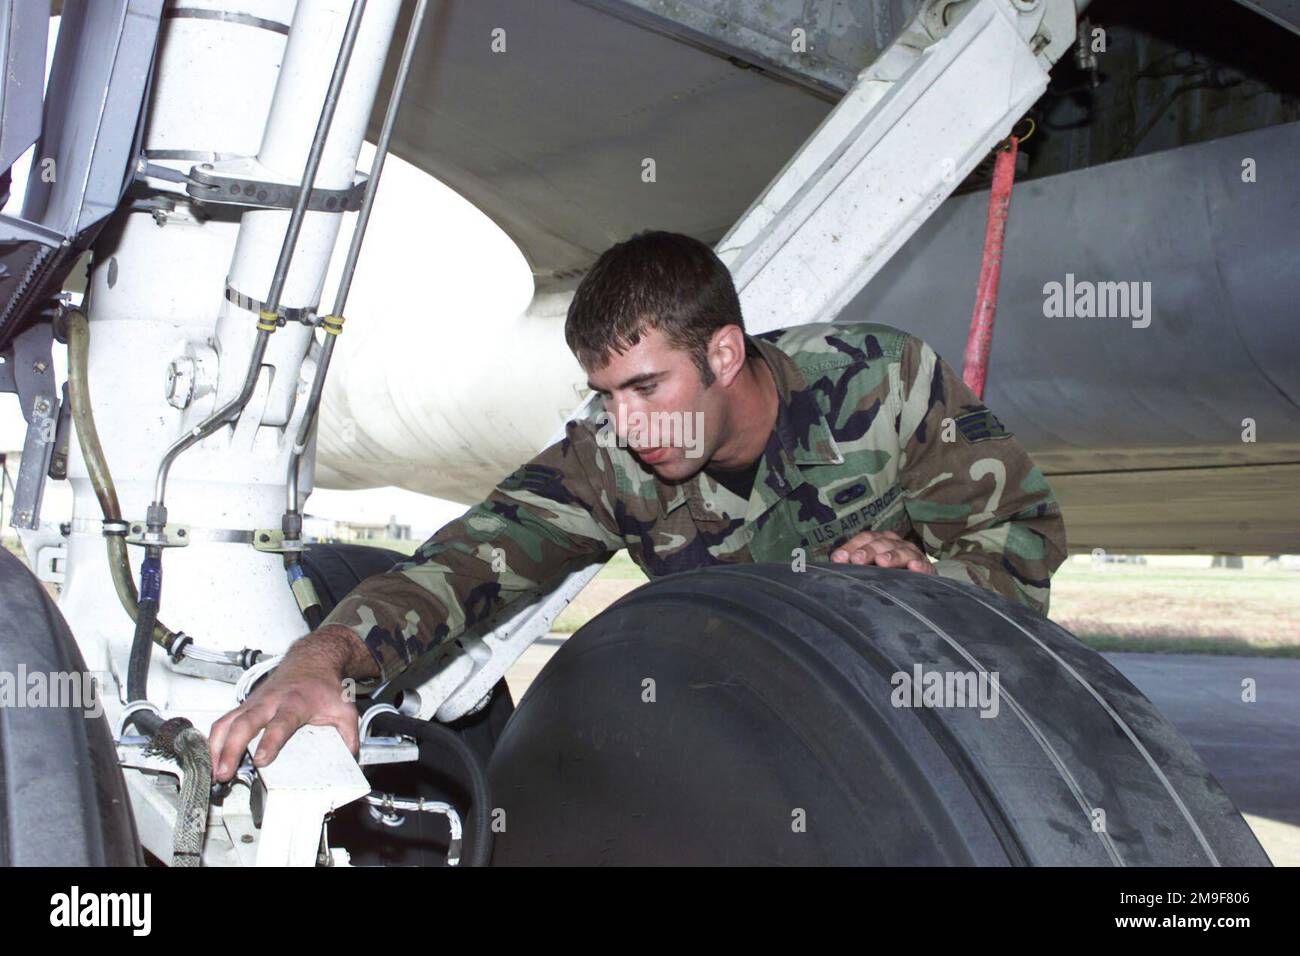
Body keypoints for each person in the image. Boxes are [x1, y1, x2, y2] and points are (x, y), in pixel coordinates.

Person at [209, 230, 1067, 781]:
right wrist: (321, 660)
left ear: (724, 353)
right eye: (607, 393)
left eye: (649, 387)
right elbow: (466, 562)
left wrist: (933, 581)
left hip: (931, 729)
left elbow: (1022, 541)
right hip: (760, 742)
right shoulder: (614, 459)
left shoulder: (886, 385)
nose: (629, 423)